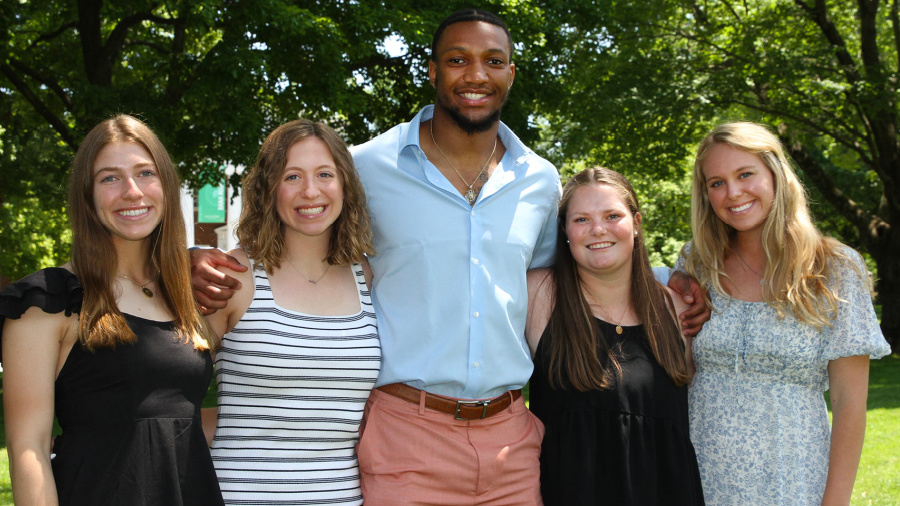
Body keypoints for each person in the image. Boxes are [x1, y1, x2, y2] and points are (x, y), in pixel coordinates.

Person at [190, 9, 708, 504]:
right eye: (458, 59)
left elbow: (575, 269)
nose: (476, 74)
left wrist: (665, 276)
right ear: (433, 71)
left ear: (510, 73)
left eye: (493, 60)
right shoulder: (367, 168)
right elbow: (303, 234)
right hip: (406, 435)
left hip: (511, 439)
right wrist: (198, 256)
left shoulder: (539, 180)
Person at [0, 115, 224, 505]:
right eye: (110, 178)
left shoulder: (185, 297)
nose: (132, 191)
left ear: (166, 186)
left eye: (145, 173)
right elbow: (28, 448)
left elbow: (177, 423)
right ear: (86, 195)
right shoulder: (49, 301)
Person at [677, 122, 891, 505]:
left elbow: (849, 403)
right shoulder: (698, 263)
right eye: (717, 183)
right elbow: (680, 372)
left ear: (776, 174)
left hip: (792, 479)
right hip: (697, 474)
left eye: (745, 174)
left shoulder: (835, 269)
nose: (733, 192)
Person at [202, 119, 380, 505]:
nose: (310, 191)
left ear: (345, 185)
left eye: (324, 174)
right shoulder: (236, 275)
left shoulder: (367, 277)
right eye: (292, 176)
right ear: (269, 189)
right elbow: (171, 392)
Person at [526, 167, 705, 505]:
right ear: (564, 231)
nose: (598, 229)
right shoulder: (539, 295)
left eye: (612, 216)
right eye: (581, 219)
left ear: (636, 223)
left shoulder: (676, 308)